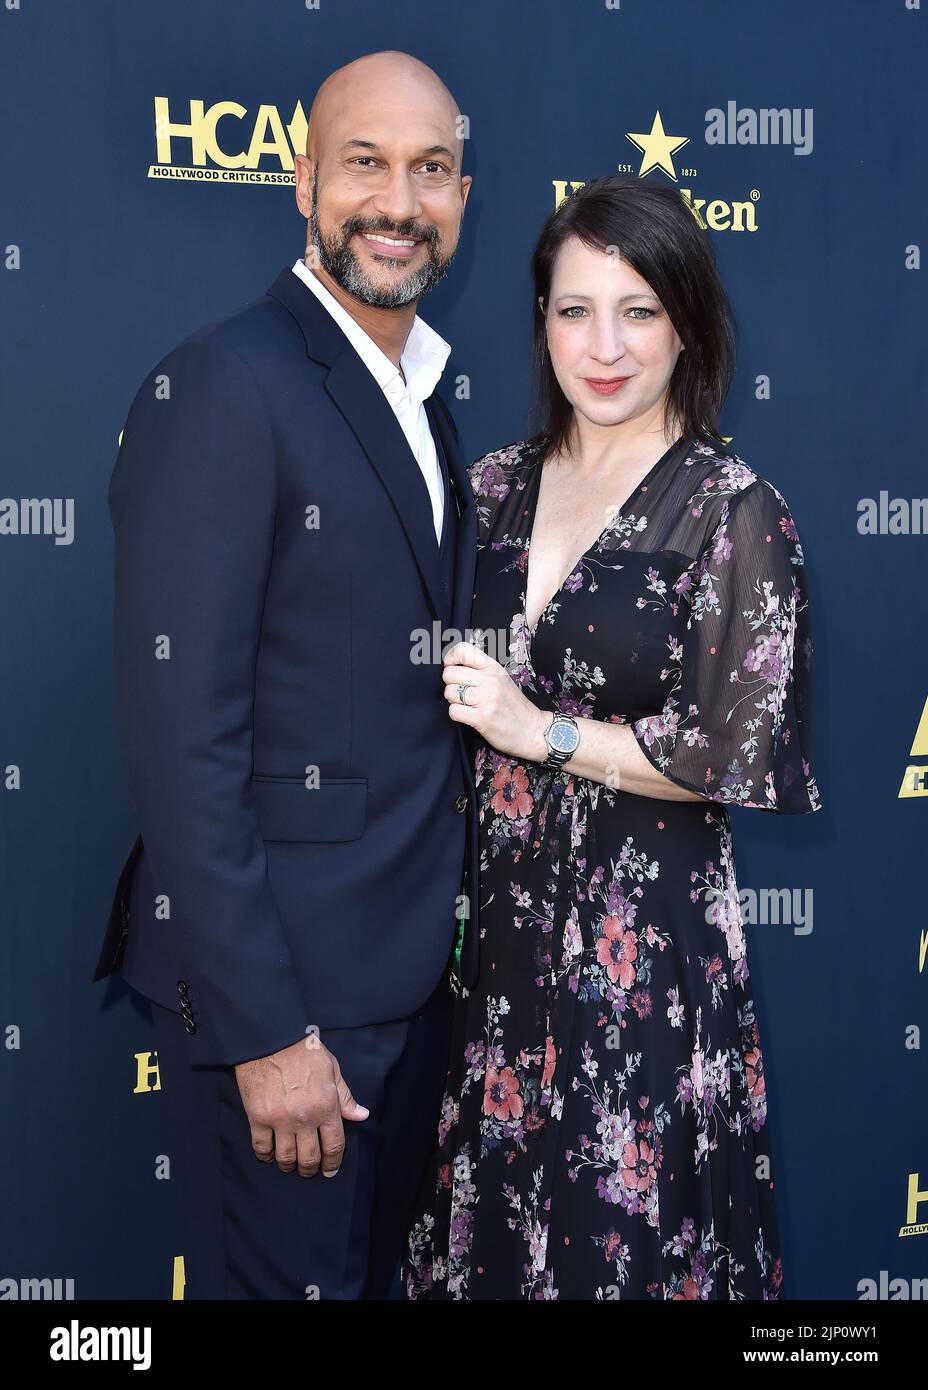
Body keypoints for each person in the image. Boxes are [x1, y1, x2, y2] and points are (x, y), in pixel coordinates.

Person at [92, 50, 478, 1299]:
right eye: (364, 163)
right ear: (302, 179)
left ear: (463, 196)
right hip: (284, 1014)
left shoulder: (424, 395)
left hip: (402, 993)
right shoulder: (228, 382)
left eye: (430, 170)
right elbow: (177, 736)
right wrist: (266, 1035)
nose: (397, 201)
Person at [404, 173, 823, 1300]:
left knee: (621, 1247)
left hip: (640, 962)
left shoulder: (732, 508)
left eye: (637, 309)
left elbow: (732, 756)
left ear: (686, 320)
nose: (604, 345)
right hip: (490, 951)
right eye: (573, 309)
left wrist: (536, 729)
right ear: (538, 322)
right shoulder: (487, 486)